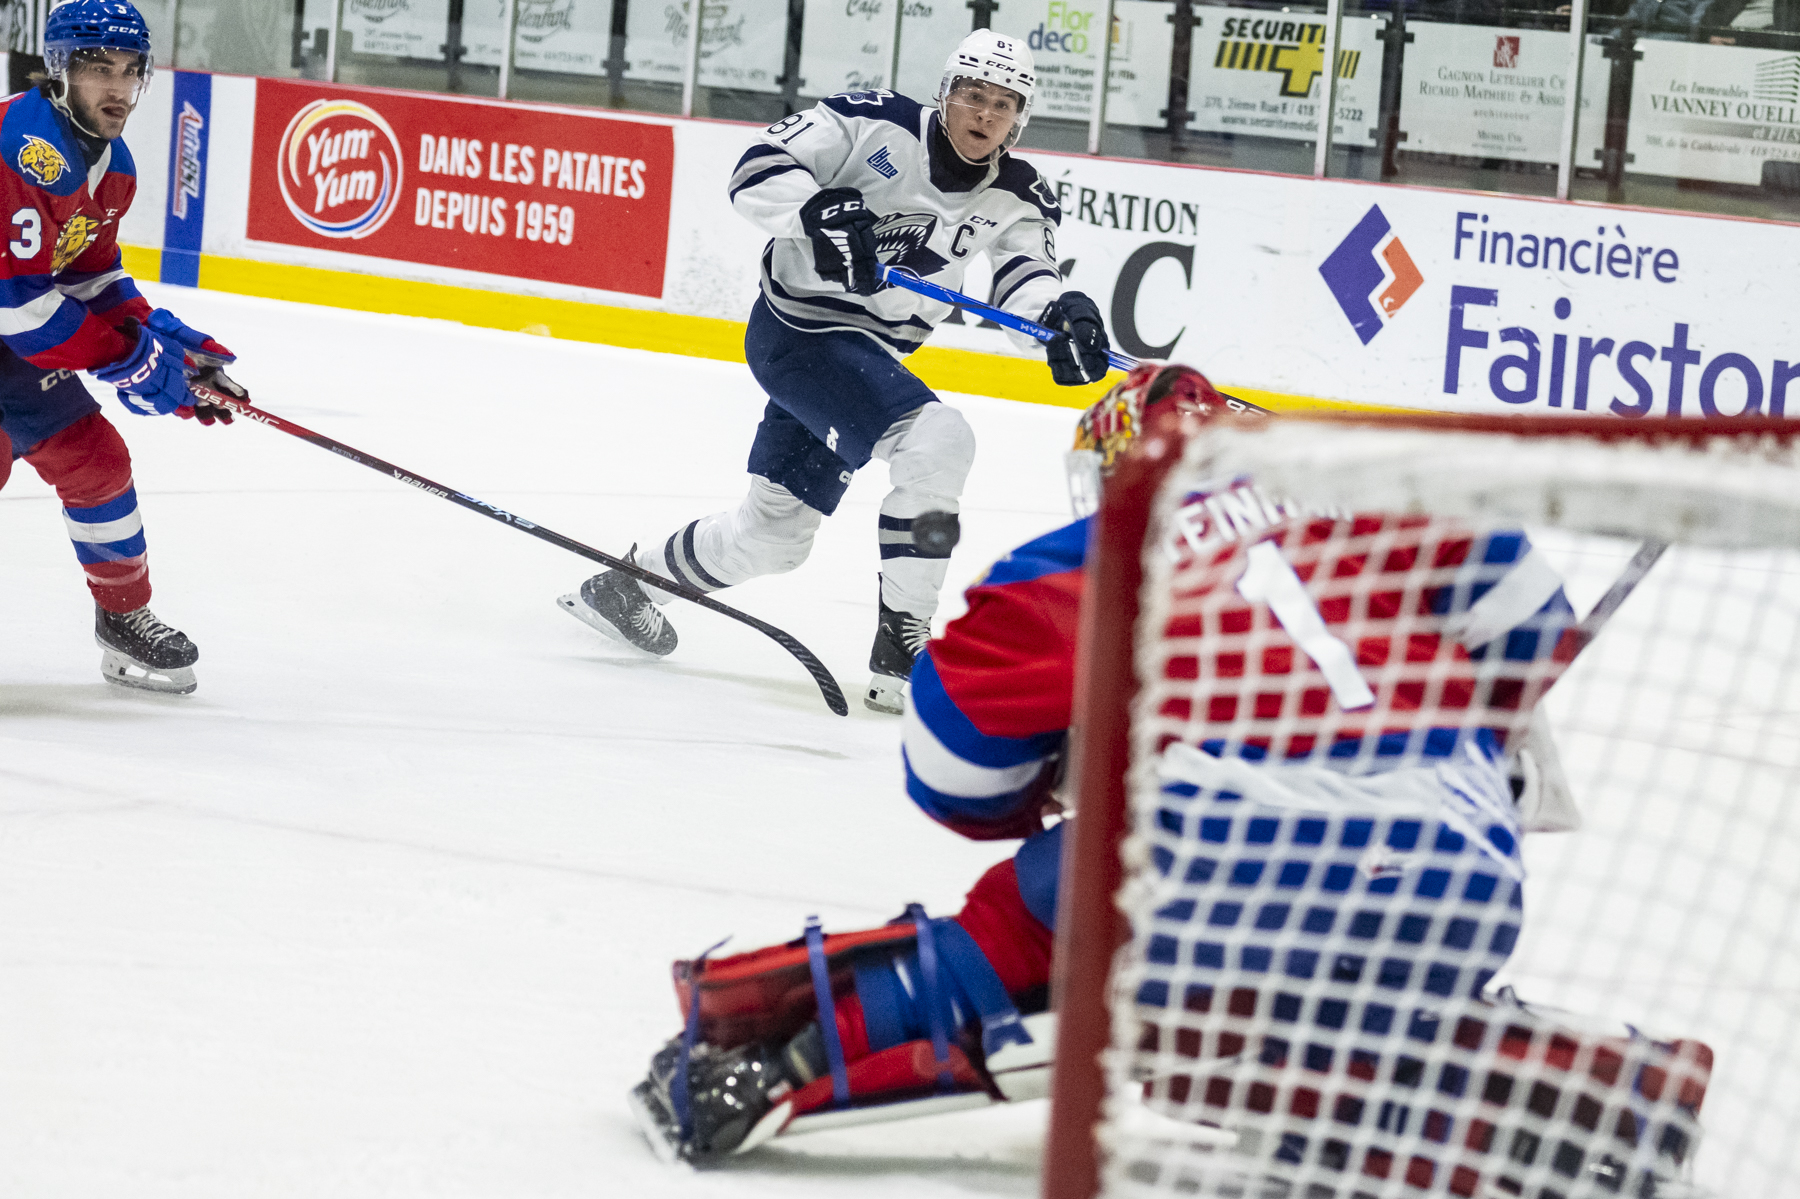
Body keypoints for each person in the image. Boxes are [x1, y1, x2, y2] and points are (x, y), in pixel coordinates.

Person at [626, 365, 1712, 1188]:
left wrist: (1054, 783)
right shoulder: (1390, 491)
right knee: (1378, 1005)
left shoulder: (1081, 556)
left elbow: (950, 768)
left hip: (1217, 870)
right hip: (1465, 865)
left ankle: (783, 1056)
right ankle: (1605, 1090)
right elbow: (1534, 630)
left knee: (1026, 918)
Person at [559, 29, 1114, 715]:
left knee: (774, 539)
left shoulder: (1020, 194)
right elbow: (757, 167)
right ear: (947, 94)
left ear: (1020, 117)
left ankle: (626, 586)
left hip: (863, 360)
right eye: (973, 96)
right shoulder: (870, 121)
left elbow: (1028, 281)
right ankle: (903, 651)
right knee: (939, 440)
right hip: (798, 334)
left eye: (1004, 104)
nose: (985, 115)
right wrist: (816, 210)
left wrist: (1063, 317)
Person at [0, 0, 240, 695]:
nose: (117, 88)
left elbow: (84, 275)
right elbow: (19, 306)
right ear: (59, 71)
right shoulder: (27, 148)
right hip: (12, 322)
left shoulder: (112, 163)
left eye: (130, 71)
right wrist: (127, 358)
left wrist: (158, 337)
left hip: (11, 336)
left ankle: (123, 619)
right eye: (98, 68)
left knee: (96, 461)